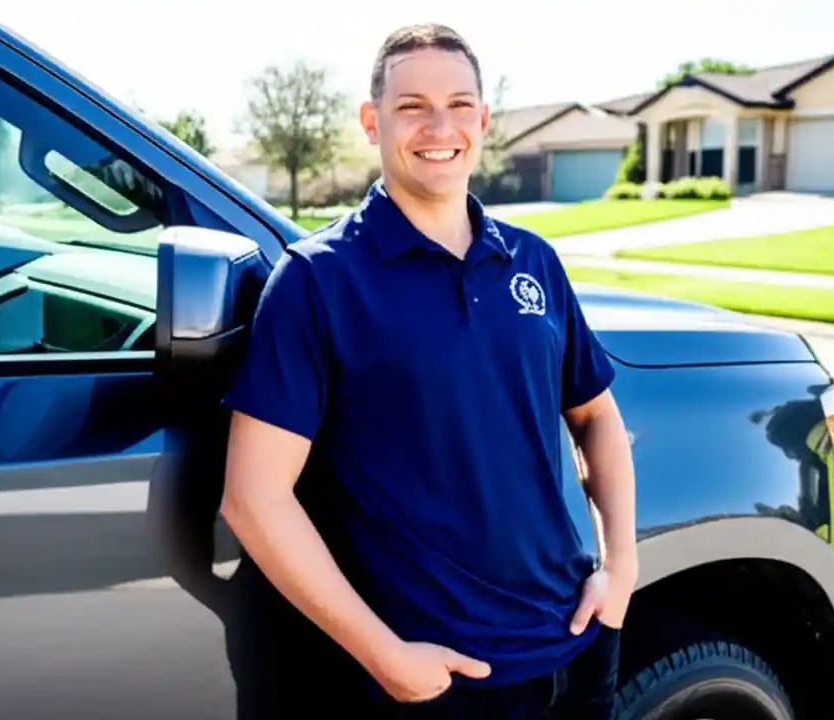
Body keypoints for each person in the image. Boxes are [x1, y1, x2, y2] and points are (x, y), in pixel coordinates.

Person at [220, 23, 638, 719]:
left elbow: (595, 417)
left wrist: (620, 568)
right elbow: (254, 498)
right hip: (434, 679)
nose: (437, 126)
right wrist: (384, 654)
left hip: (575, 646)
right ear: (371, 120)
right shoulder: (319, 280)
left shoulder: (533, 261)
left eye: (459, 104)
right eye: (411, 105)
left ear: (483, 119)